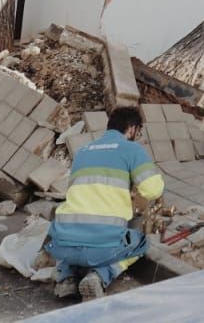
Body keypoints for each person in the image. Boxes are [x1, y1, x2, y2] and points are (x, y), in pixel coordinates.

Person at [46, 105, 165, 300]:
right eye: (139, 132)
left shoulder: (83, 152)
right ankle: (99, 277)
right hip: (103, 245)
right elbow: (152, 190)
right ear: (133, 129)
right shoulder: (132, 149)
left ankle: (66, 278)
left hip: (62, 242)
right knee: (141, 242)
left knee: (77, 241)